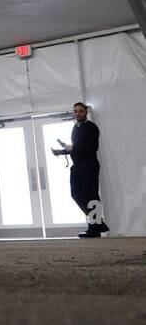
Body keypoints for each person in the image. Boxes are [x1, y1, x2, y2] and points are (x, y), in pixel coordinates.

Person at [55, 102, 109, 238]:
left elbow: (91, 148)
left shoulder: (91, 127)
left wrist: (70, 148)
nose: (78, 113)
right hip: (77, 166)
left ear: (86, 112)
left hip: (89, 165)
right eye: (75, 111)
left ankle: (94, 229)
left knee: (91, 196)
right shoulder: (75, 128)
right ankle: (98, 223)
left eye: (80, 111)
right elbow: (75, 147)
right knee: (76, 194)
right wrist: (61, 152)